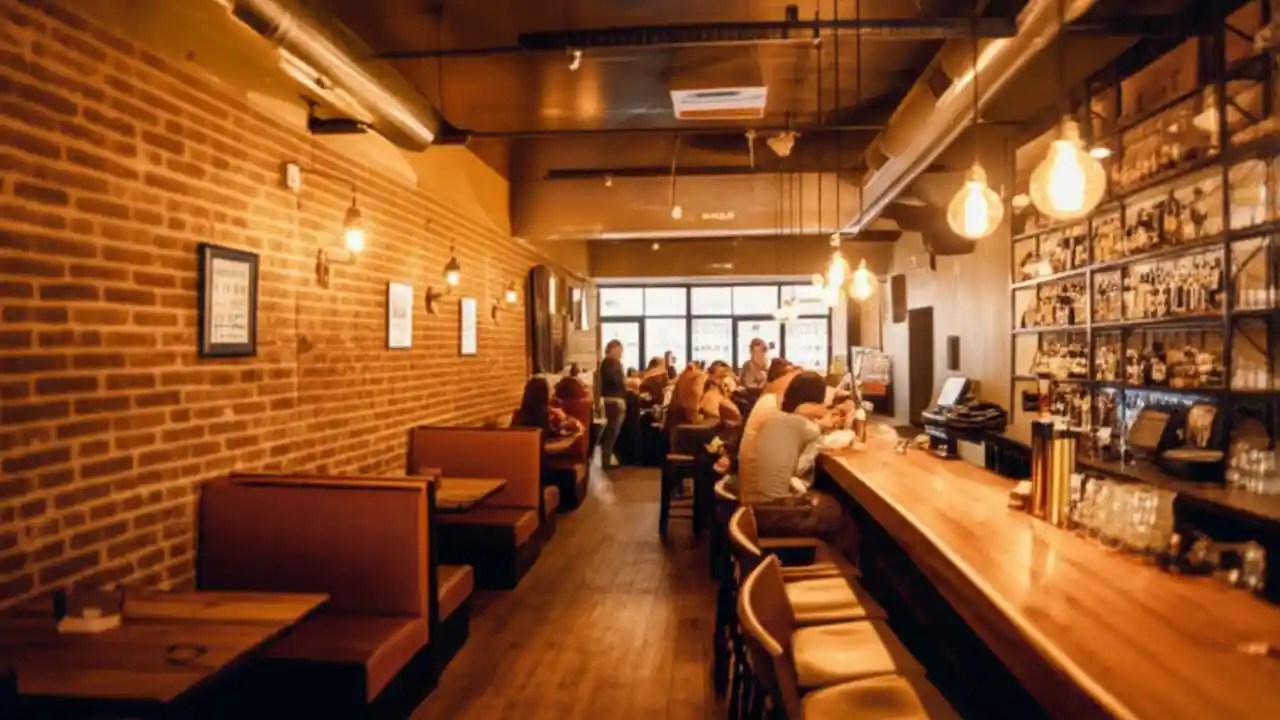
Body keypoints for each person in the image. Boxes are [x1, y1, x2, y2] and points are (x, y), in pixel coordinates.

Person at [747, 371, 846, 541]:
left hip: (750, 512)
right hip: (773, 515)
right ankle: (840, 564)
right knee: (840, 511)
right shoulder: (805, 427)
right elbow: (800, 468)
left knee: (826, 501)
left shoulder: (774, 417)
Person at [513, 376, 583, 438]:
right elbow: (577, 427)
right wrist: (565, 419)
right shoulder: (547, 415)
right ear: (545, 394)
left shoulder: (519, 414)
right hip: (543, 450)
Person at [599, 339, 627, 468]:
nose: (621, 353)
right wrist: (626, 384)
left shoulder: (606, 363)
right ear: (613, 349)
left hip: (609, 400)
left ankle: (606, 457)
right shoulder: (611, 363)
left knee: (610, 431)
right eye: (619, 350)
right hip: (614, 400)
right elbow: (617, 382)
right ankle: (606, 458)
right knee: (612, 431)